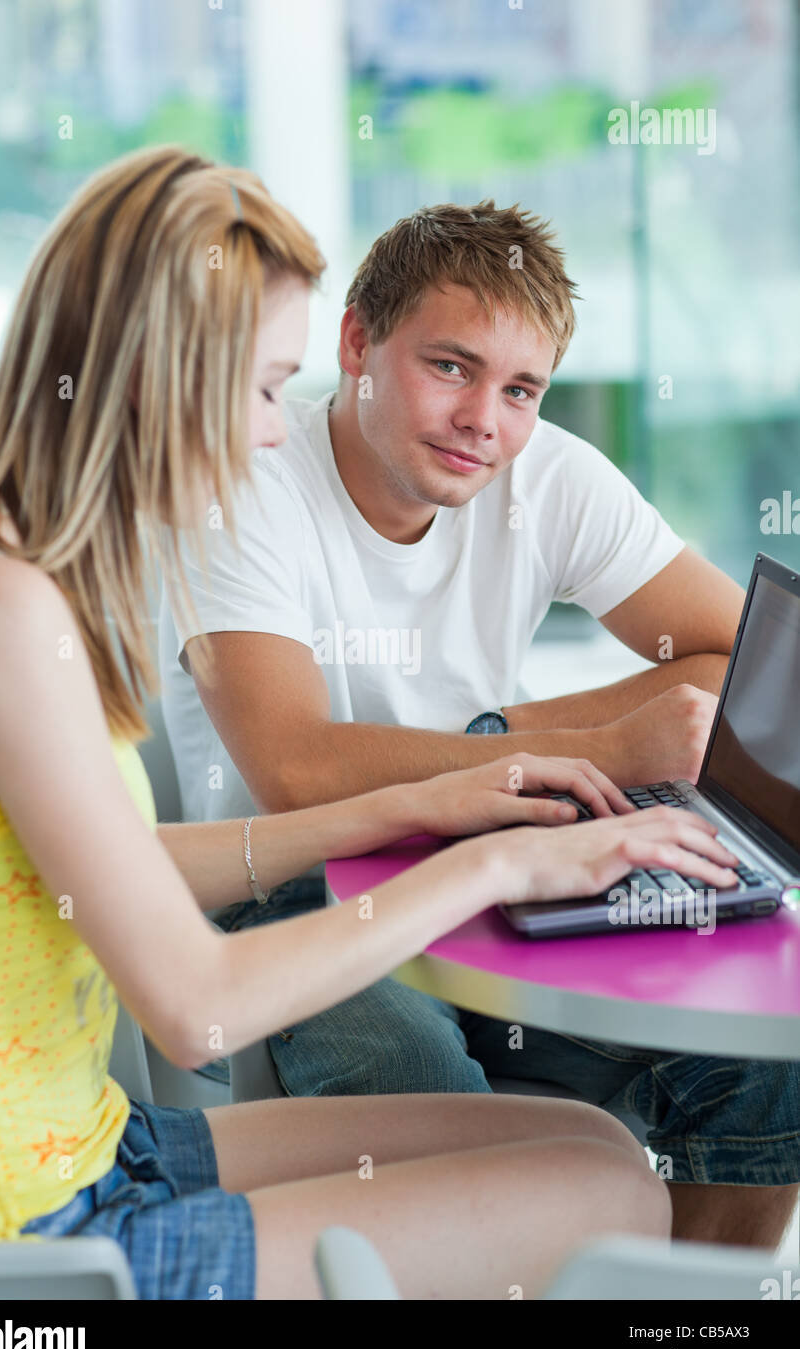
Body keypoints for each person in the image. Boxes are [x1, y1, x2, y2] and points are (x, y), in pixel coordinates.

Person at [0, 145, 745, 1300]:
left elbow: (112, 868)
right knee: (604, 1197)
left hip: (104, 1151)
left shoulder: (17, 582)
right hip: (34, 1234)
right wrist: (506, 854)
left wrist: (415, 799)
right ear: (153, 370)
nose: (275, 431)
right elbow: (197, 1004)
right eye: (263, 385)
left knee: (597, 1153)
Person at [157, 196, 800, 1252]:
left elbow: (734, 653)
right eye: (448, 367)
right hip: (286, 886)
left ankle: (666, 1328)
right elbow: (292, 765)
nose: (484, 423)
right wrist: (585, 749)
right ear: (357, 339)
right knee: (422, 1089)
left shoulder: (544, 474)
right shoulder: (247, 486)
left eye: (520, 390)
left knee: (765, 1063)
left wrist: (509, 727)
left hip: (495, 855)